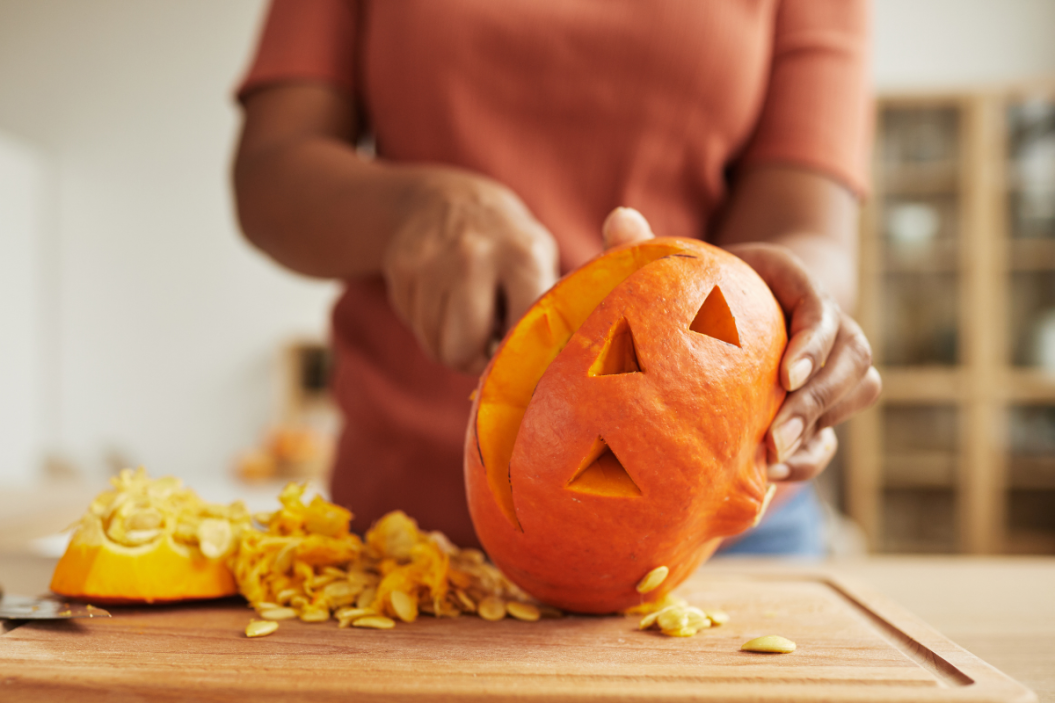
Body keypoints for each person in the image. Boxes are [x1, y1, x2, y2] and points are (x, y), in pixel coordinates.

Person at [232, 0, 882, 554]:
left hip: (717, 522)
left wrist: (791, 312)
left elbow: (808, 227)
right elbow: (271, 168)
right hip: (407, 523)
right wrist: (412, 210)